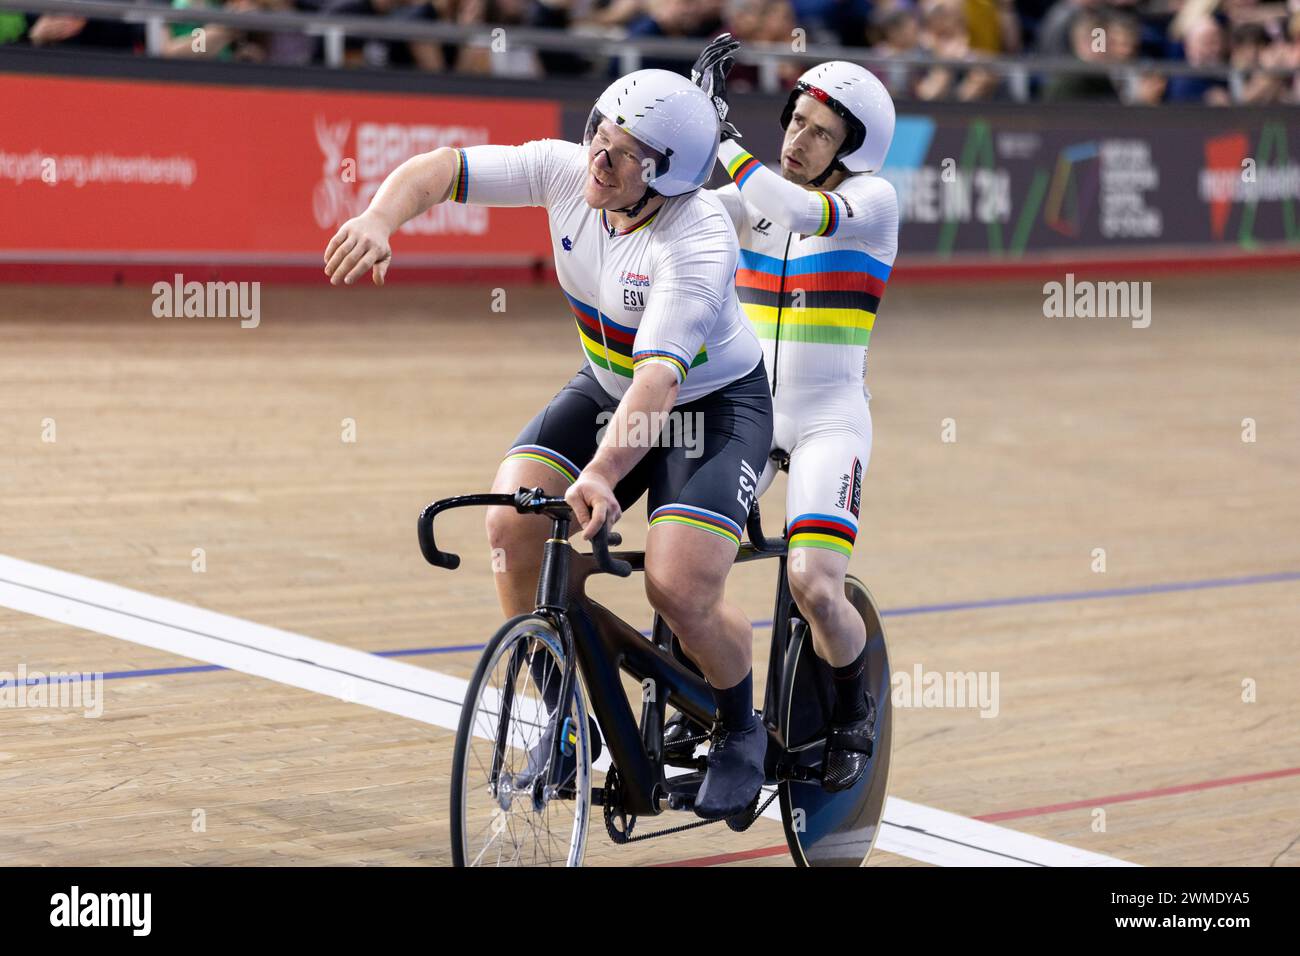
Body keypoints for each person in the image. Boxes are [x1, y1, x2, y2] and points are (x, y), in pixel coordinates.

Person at [323, 69, 775, 821]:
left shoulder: (695, 242)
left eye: (624, 154)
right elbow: (441, 171)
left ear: (668, 177)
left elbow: (659, 386)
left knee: (678, 584)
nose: (599, 157)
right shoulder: (567, 169)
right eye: (600, 133)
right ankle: (569, 720)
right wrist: (379, 218)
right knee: (510, 526)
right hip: (608, 384)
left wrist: (600, 475)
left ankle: (739, 725)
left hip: (711, 406)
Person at [684, 37, 899, 792]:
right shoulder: (753, 198)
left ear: (856, 150)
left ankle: (852, 713)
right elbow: (682, 205)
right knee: (687, 559)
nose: (798, 141)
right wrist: (682, 128)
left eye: (820, 133)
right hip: (751, 413)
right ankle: (706, 697)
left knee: (812, 580)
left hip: (827, 422)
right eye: (796, 123)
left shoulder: (870, 204)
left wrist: (726, 142)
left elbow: (801, 210)